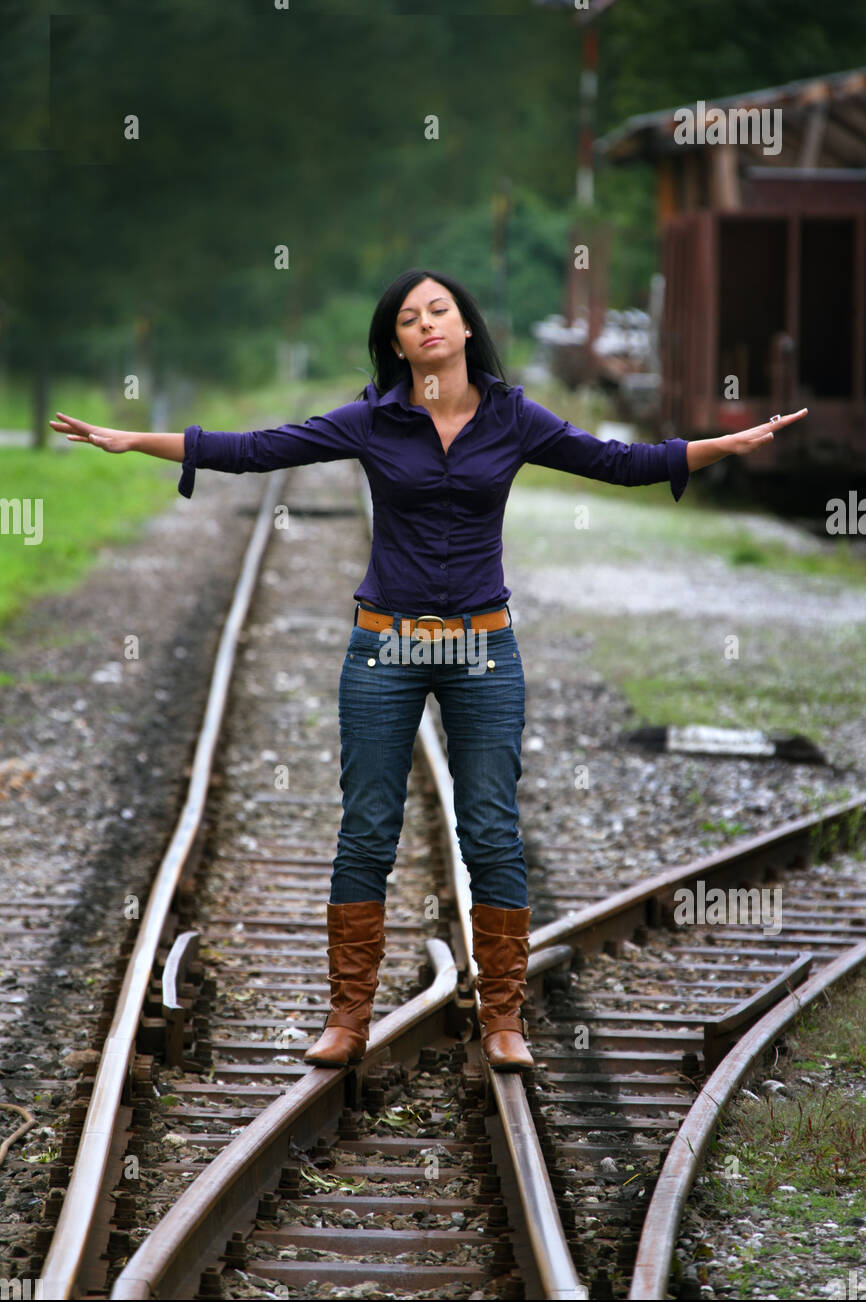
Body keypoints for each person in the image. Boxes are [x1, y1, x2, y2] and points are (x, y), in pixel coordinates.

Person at [49, 268, 807, 1073]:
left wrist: (718, 445)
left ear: (466, 326)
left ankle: (504, 1019)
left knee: (492, 828)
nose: (427, 324)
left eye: (439, 310)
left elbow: (616, 461)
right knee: (367, 828)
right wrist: (138, 440)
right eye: (410, 319)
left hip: (482, 647)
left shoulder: (513, 418)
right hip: (387, 646)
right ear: (398, 344)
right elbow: (261, 448)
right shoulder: (372, 421)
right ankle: (348, 1017)